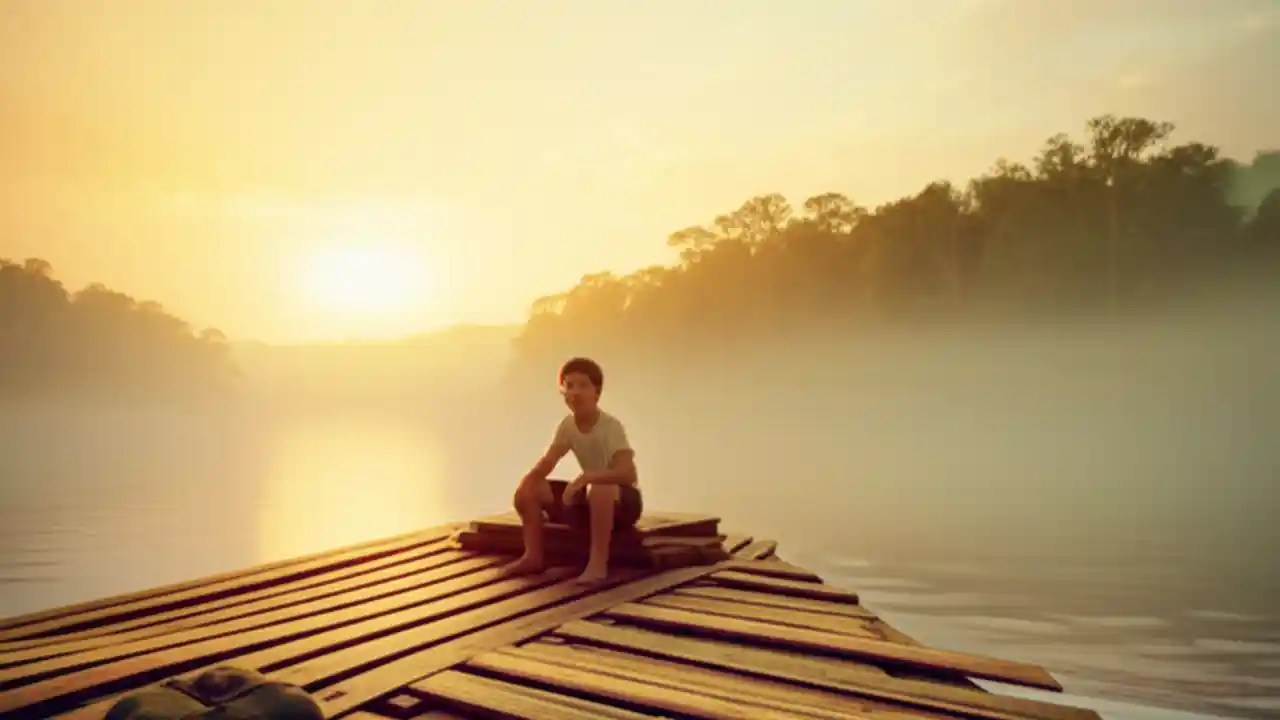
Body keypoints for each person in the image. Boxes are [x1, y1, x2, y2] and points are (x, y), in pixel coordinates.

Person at [505, 357, 642, 585]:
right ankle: (533, 556)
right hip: (587, 497)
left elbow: (628, 474)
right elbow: (548, 462)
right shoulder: (568, 426)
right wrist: (528, 484)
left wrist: (587, 478)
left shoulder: (610, 427)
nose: (575, 392)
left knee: (600, 488)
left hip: (622, 503)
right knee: (530, 489)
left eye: (583, 386)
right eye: (569, 386)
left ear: (596, 392)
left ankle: (597, 565)